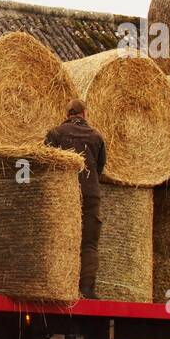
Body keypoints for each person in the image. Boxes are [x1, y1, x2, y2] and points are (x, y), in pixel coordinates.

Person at [45, 99, 106, 299]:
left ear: (68, 113)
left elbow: (47, 163)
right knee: (89, 243)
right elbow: (99, 169)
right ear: (84, 113)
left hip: (65, 195)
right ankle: (87, 289)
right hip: (90, 194)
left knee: (61, 240)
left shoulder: (55, 134)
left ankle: (61, 287)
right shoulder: (96, 137)